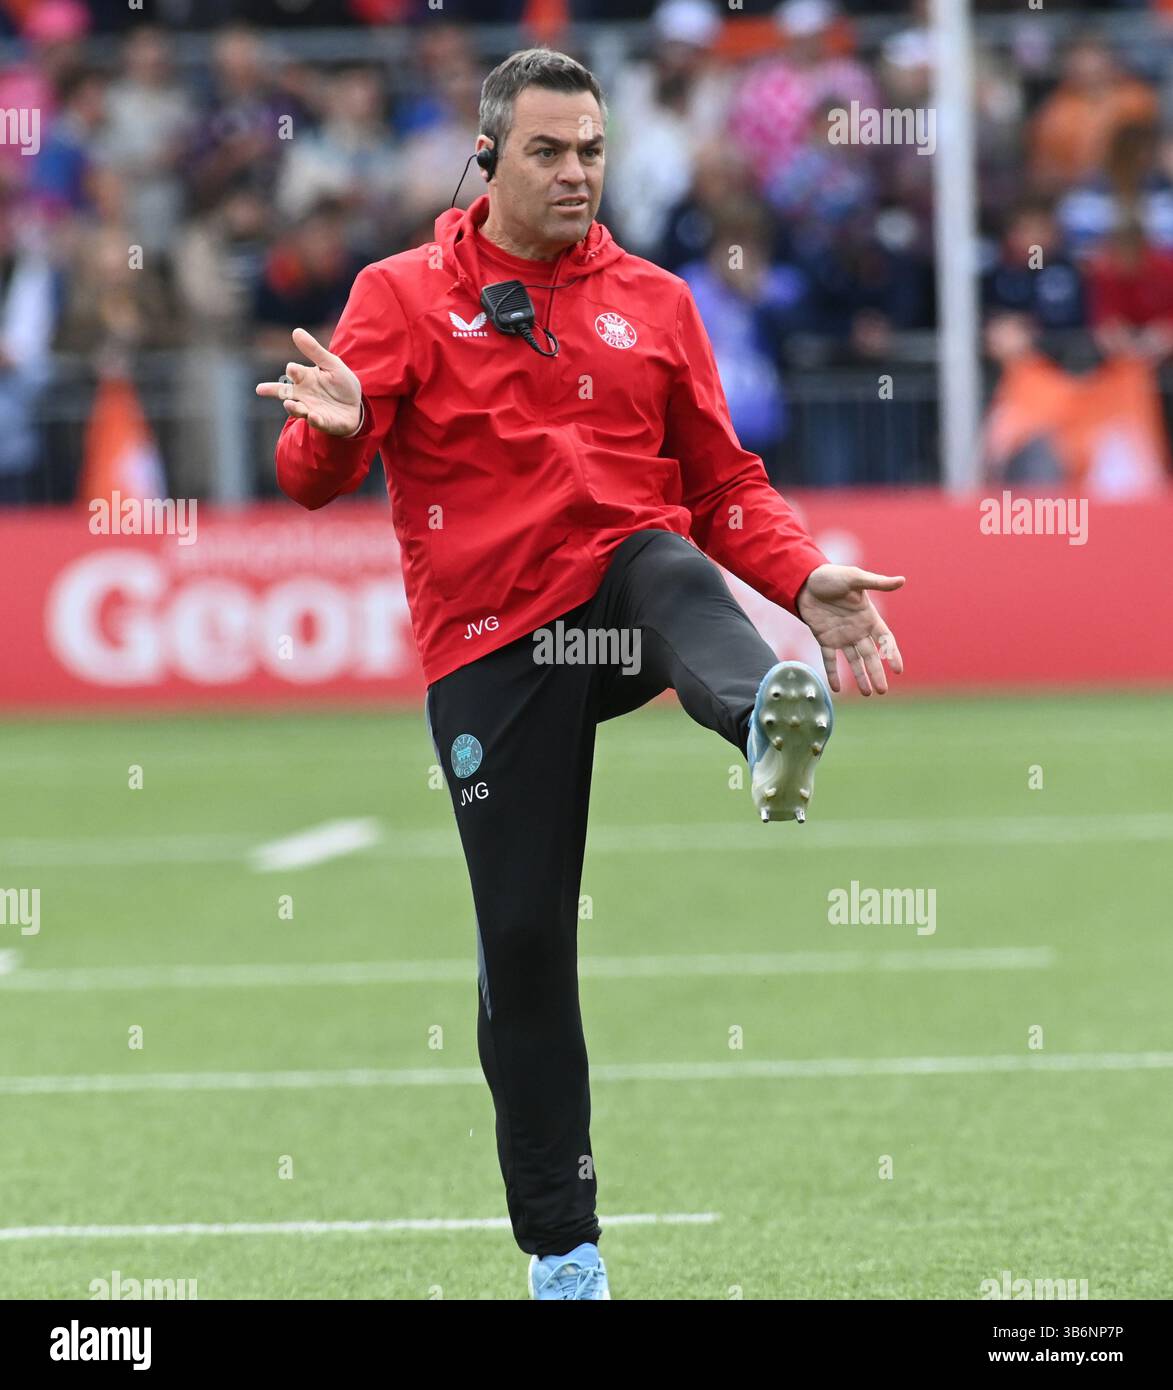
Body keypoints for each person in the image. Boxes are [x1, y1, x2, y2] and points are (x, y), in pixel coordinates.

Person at [258, 46, 904, 1301]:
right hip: (494, 646)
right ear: (488, 160)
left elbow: (722, 485)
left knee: (660, 558)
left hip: (621, 599)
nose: (576, 174)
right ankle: (565, 1254)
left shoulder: (657, 301)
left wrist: (804, 580)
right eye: (549, 152)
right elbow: (308, 469)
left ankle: (764, 721)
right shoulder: (398, 296)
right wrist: (327, 439)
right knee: (525, 948)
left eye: (592, 151)